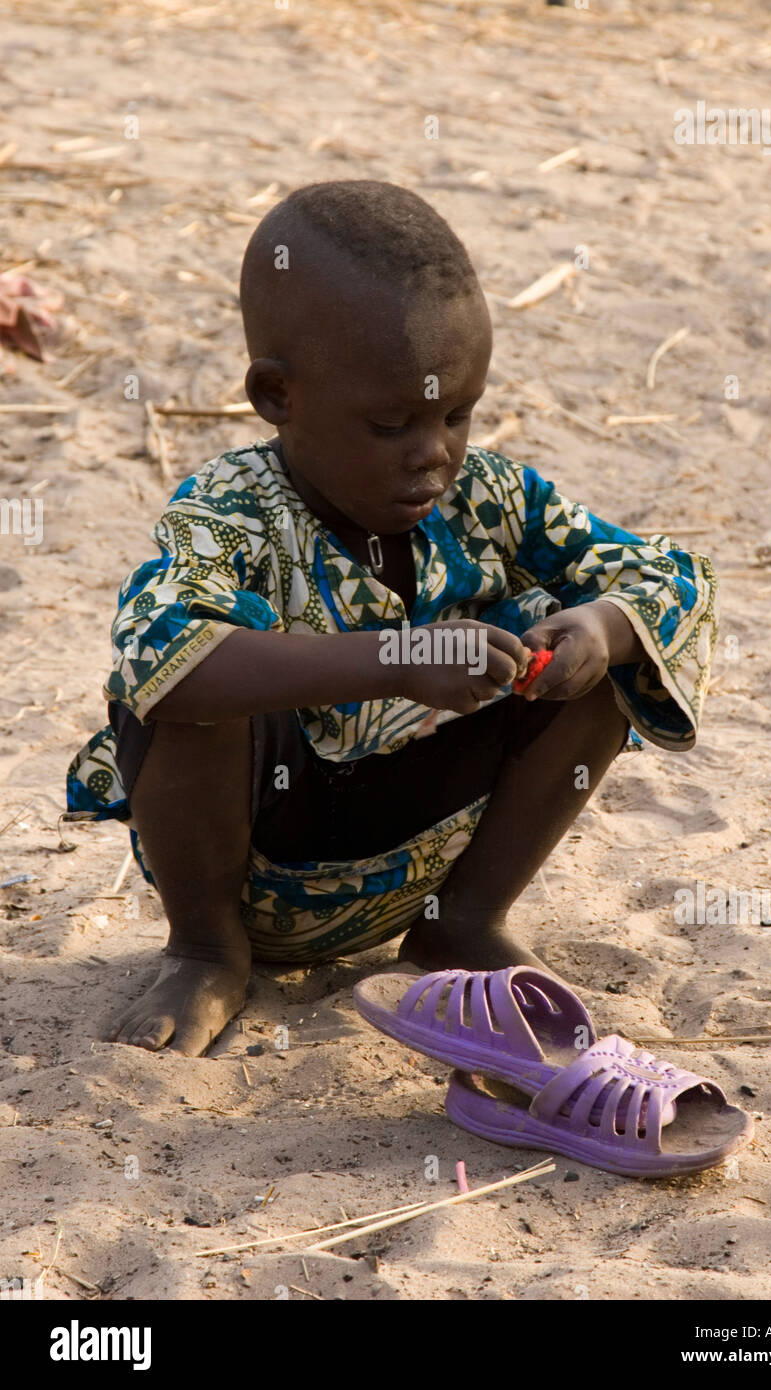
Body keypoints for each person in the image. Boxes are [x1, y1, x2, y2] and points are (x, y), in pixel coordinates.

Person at [64, 180, 717, 1056]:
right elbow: (158, 651)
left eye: (458, 413)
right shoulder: (230, 509)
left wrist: (599, 630)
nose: (435, 452)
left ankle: (466, 922)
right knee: (182, 683)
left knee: (608, 632)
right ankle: (206, 953)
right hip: (258, 863)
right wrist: (395, 658)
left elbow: (668, 573)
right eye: (390, 422)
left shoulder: (493, 498)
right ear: (275, 396)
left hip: (423, 862)